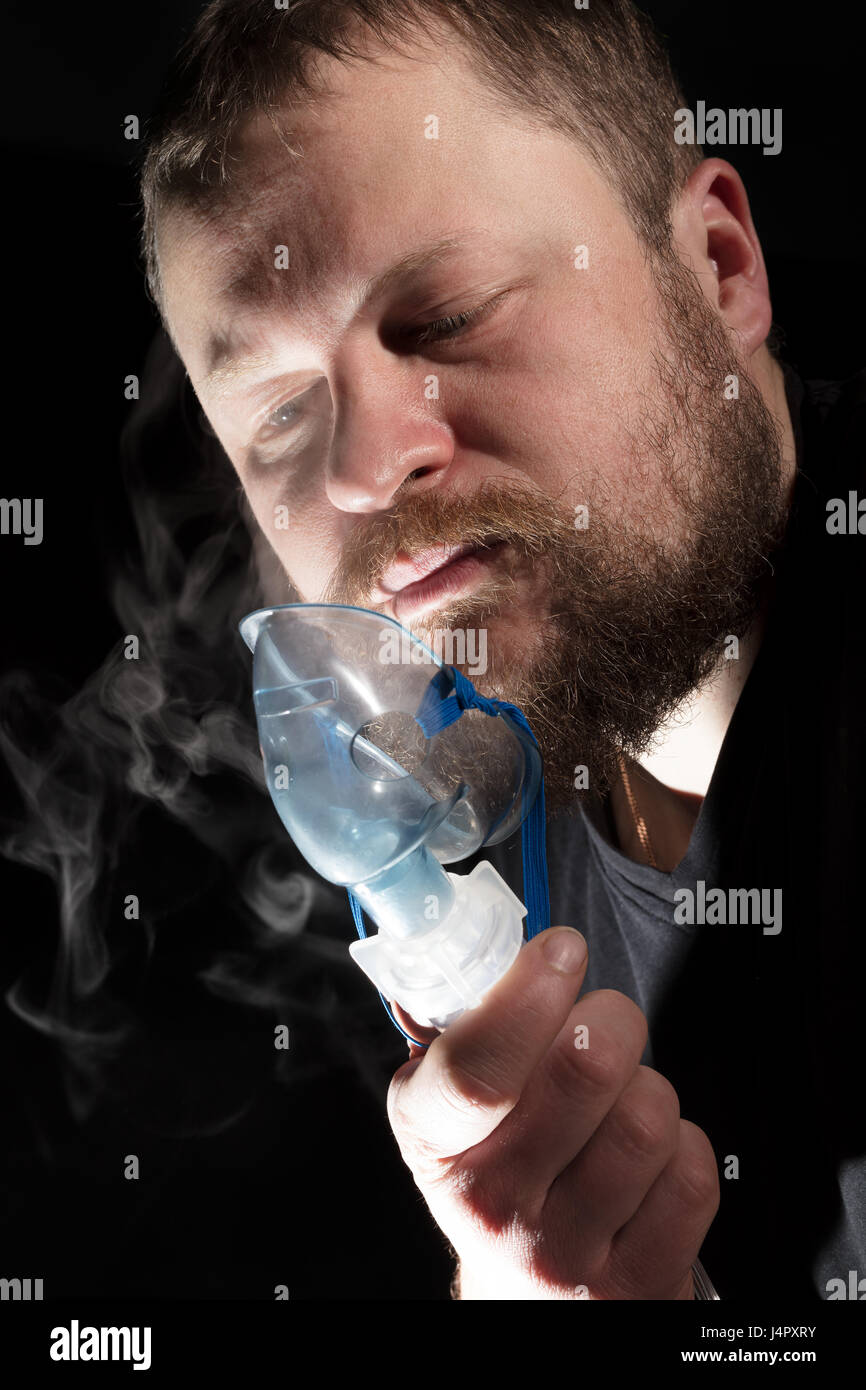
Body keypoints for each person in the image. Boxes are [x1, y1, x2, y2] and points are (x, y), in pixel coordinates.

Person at [137, 0, 865, 1299]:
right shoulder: (460, 845)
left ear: (716, 266)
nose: (366, 470)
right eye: (285, 414)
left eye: (450, 314)